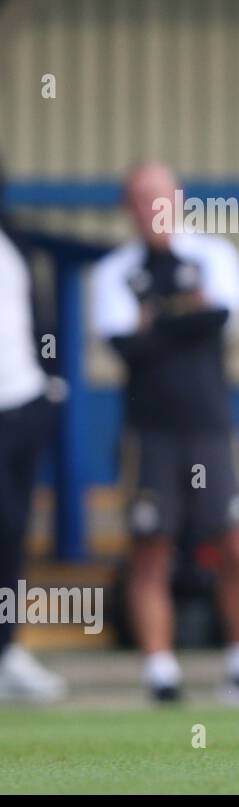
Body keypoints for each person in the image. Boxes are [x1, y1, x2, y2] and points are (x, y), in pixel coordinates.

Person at [91, 163, 239, 704]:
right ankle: (161, 676)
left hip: (213, 428)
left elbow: (222, 320)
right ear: (127, 208)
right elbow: (124, 345)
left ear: (177, 200)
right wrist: (185, 320)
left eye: (161, 197)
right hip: (148, 432)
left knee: (238, 545)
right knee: (150, 549)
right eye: (140, 199)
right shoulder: (112, 272)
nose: (152, 209)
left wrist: (157, 322)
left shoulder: (213, 256)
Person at [0, 193, 67, 703]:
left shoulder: (15, 242)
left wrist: (49, 387)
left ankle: (6, 651)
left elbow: (36, 321)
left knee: (11, 531)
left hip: (22, 408)